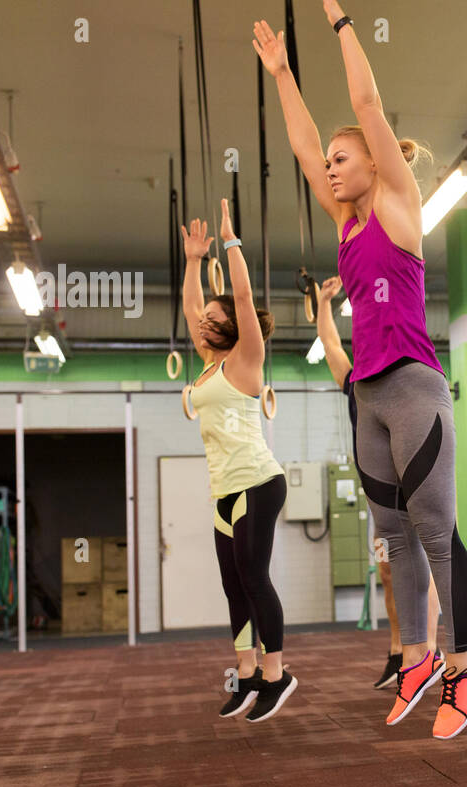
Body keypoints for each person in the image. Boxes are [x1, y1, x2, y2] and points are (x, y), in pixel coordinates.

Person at [255, 3, 467, 739]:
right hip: (368, 394)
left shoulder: (394, 202)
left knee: (436, 530)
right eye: (331, 160)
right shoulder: (346, 222)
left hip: (414, 383)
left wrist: (341, 23)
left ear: (373, 164)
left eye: (341, 156)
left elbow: (364, 102)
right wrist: (283, 75)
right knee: (392, 534)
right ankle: (414, 655)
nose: (330, 163)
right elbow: (297, 145)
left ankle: (463, 666)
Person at [181, 203, 296, 723]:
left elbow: (244, 297)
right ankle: (246, 674)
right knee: (233, 586)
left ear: (231, 330)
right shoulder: (206, 368)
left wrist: (230, 245)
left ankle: (277, 675)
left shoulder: (246, 361)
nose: (203, 322)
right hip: (224, 491)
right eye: (203, 319)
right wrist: (191, 261)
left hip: (259, 481)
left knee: (254, 576)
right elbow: (190, 307)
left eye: (213, 319)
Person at [309, 275, 440, 687]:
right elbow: (331, 345)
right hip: (379, 491)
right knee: (388, 568)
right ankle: (398, 651)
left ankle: (431, 653)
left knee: (424, 560)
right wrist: (324, 303)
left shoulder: (405, 382)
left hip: (414, 481)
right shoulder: (354, 387)